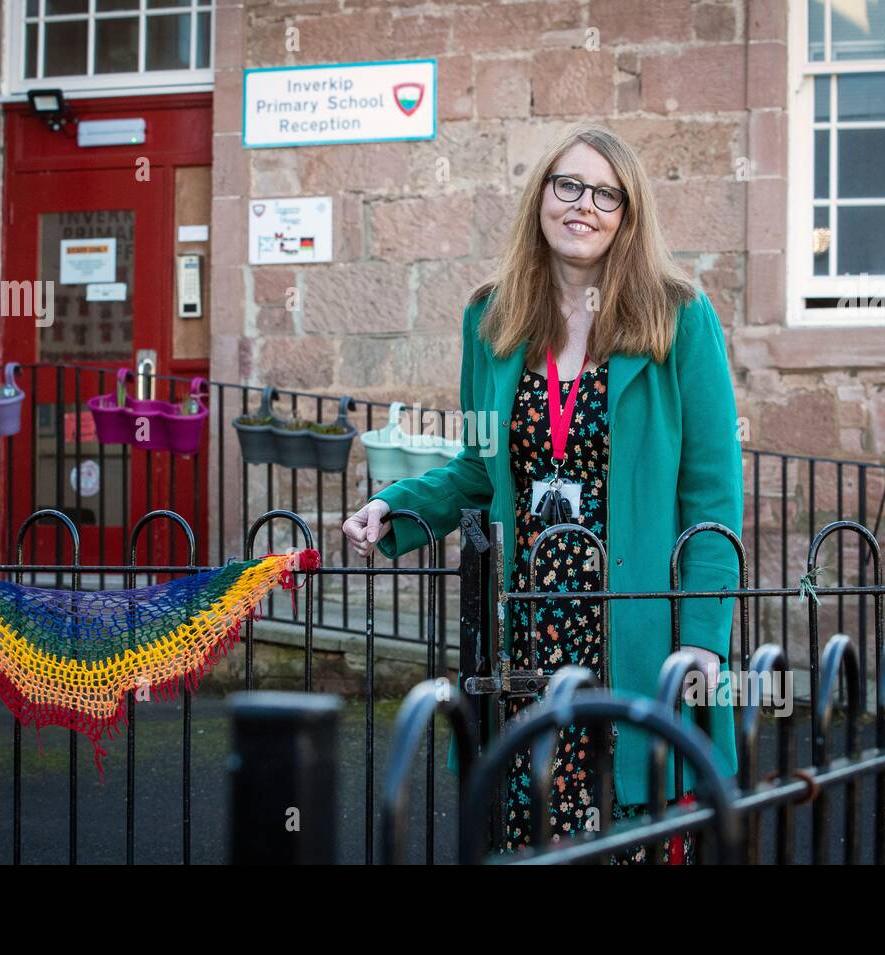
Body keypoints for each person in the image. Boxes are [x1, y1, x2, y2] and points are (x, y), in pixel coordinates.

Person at [342, 122, 743, 863]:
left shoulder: (679, 316)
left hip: (632, 621)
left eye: (606, 194)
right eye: (568, 185)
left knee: (630, 825)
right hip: (526, 623)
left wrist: (704, 638)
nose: (583, 205)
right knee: (530, 827)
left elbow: (713, 495)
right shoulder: (491, 317)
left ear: (628, 214)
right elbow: (480, 468)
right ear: (540, 198)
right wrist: (396, 507)